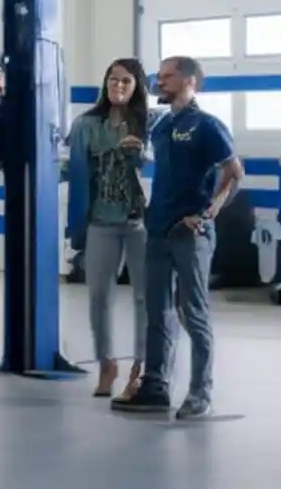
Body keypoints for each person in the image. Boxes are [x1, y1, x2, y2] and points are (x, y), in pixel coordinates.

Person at [112, 56, 243, 420]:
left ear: (189, 82)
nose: (160, 81)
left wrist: (208, 214)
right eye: (160, 75)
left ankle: (200, 394)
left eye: (167, 76)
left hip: (190, 234)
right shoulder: (163, 126)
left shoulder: (207, 125)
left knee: (193, 313)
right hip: (157, 231)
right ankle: (155, 387)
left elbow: (234, 172)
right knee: (157, 311)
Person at [65, 58, 159, 400]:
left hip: (140, 223)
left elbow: (161, 170)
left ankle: (141, 368)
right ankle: (106, 364)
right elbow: (76, 176)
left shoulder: (151, 124)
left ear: (137, 88)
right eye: (113, 79)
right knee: (98, 297)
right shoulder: (86, 125)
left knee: (143, 298)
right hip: (100, 221)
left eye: (126, 81)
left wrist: (144, 154)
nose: (118, 86)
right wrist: (75, 227)